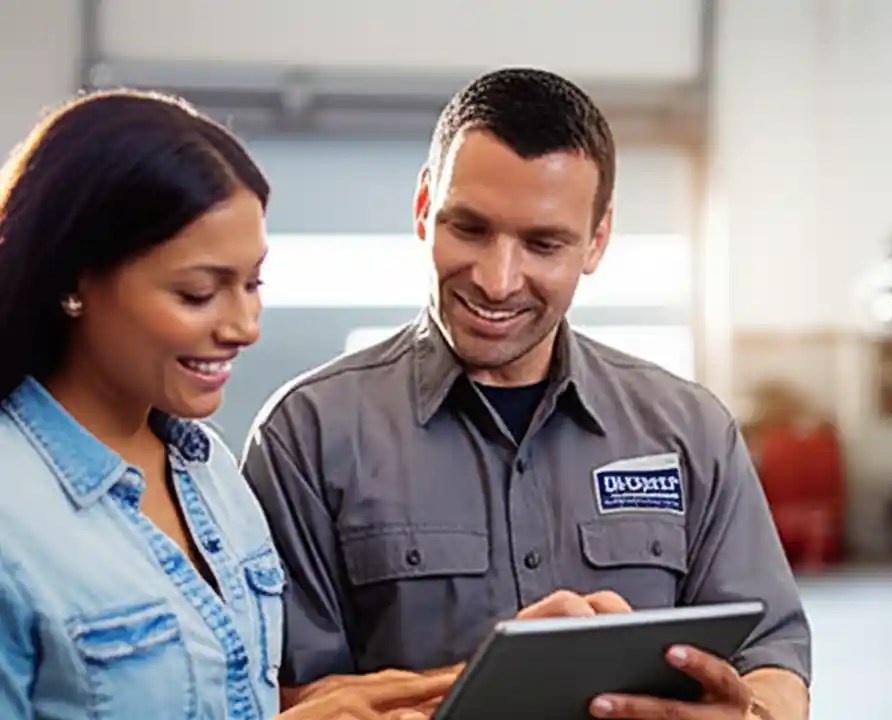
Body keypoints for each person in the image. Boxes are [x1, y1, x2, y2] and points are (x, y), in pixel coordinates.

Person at [241, 67, 813, 719]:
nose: (497, 279)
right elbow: (280, 695)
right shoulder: (308, 436)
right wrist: (488, 679)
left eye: (543, 244)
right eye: (470, 229)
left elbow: (772, 655)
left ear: (597, 240)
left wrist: (752, 714)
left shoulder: (690, 430)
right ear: (425, 210)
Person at [0, 89, 450, 720]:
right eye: (199, 292)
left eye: (253, 283)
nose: (244, 326)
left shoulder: (210, 472)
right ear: (73, 279)